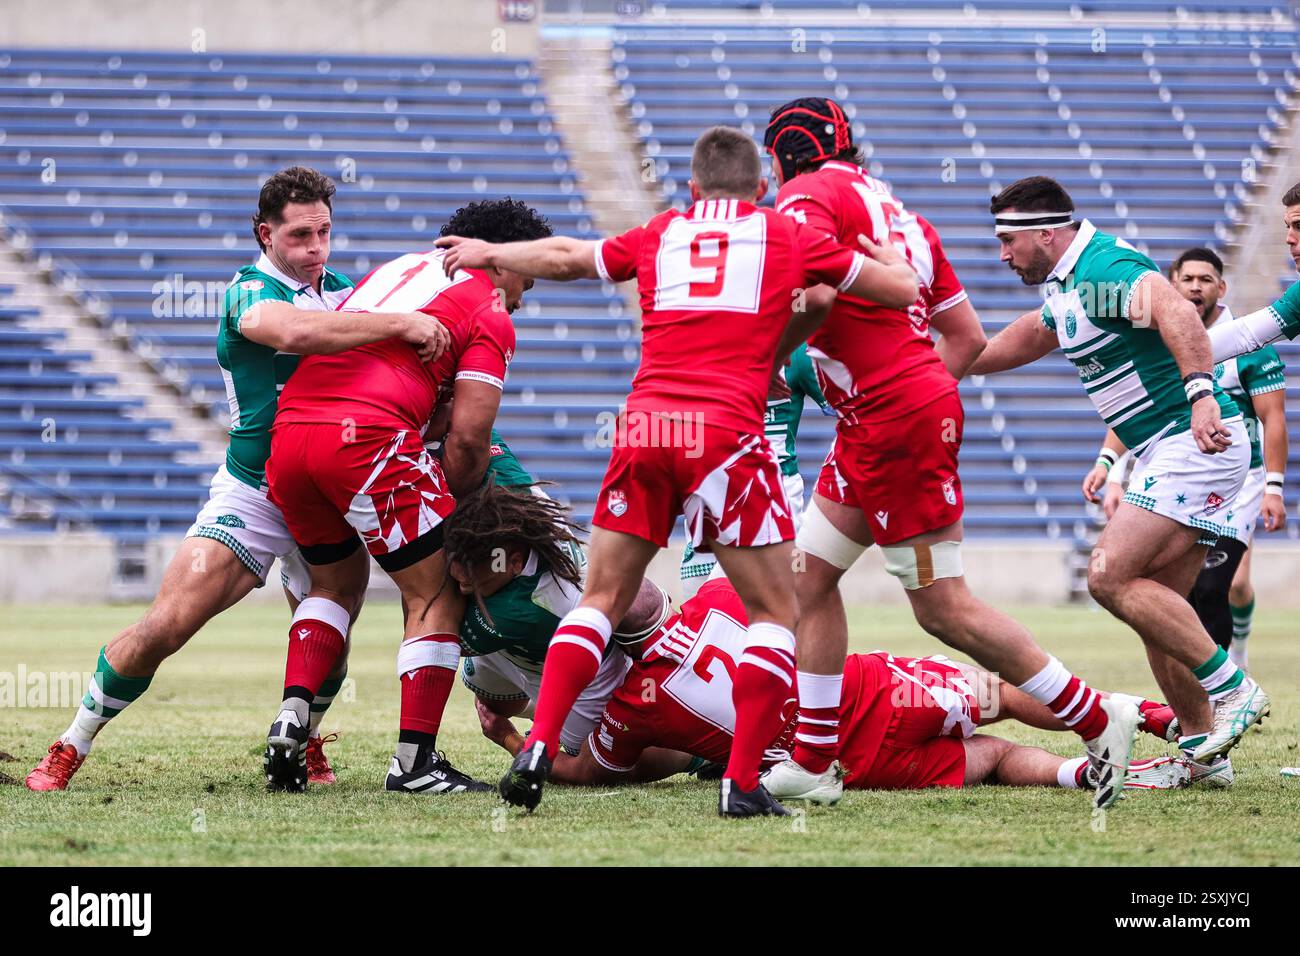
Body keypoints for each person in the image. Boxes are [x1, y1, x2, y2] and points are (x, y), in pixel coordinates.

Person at [436, 125, 919, 816]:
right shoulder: (784, 234)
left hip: (648, 424)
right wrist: (883, 259)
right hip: (727, 432)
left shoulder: (662, 231)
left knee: (600, 599)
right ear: (761, 189)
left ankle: (540, 744)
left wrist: (489, 251)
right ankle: (742, 781)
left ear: (691, 189)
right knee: (776, 610)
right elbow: (891, 292)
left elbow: (570, 256)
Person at [757, 99, 1141, 814]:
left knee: (943, 609)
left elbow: (807, 290)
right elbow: (963, 339)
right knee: (806, 580)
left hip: (890, 423)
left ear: (785, 157)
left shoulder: (809, 193)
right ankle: (813, 759)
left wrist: (767, 361)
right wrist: (906, 394)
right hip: (881, 421)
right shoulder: (904, 216)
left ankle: (1096, 717)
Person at [26, 166, 450, 792]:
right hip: (255, 487)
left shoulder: (342, 292)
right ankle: (70, 743)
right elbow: (294, 332)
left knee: (332, 625)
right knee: (168, 622)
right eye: (301, 235)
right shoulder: (247, 292)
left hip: (327, 482)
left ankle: (302, 738)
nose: (316, 249)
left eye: (325, 233)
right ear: (265, 234)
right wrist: (399, 323)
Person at [970, 176, 1270, 785]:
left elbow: (1175, 310)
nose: (1002, 254)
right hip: (1169, 449)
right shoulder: (1069, 284)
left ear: (1046, 233)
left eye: (1008, 240)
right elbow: (1031, 333)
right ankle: (1203, 754)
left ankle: (1233, 688)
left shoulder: (1102, 267)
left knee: (1109, 575)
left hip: (1193, 444)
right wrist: (941, 361)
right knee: (1159, 616)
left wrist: (1201, 394)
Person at [259, 198, 551, 794]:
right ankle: (415, 764)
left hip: (290, 437)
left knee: (333, 585)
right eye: (528, 273)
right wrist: (456, 499)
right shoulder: (491, 307)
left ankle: (292, 717)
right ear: (499, 258)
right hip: (367, 440)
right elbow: (469, 441)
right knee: (437, 589)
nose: (525, 293)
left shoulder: (395, 268)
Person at [474, 578, 1190, 796]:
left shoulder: (632, 712)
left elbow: (599, 772)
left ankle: (1090, 777)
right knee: (997, 693)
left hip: (850, 766)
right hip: (872, 693)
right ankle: (1153, 721)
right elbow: (816, 605)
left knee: (996, 760)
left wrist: (510, 736)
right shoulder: (722, 595)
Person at [1086, 248, 1287, 679]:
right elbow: (1132, 410)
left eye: (1206, 279)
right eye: (1187, 279)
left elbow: (1273, 419)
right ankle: (1208, 697)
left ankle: (1230, 679)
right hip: (1174, 470)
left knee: (1220, 584)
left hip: (1239, 476)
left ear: (1221, 288)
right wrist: (1110, 466)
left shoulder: (1249, 348)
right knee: (1175, 587)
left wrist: (1273, 486)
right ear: (1171, 288)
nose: (1196, 287)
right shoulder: (1153, 342)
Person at [678, 342, 832, 598]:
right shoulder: (703, 341)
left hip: (771, 494)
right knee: (697, 600)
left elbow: (851, 407)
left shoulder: (798, 351)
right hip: (709, 491)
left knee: (740, 601)